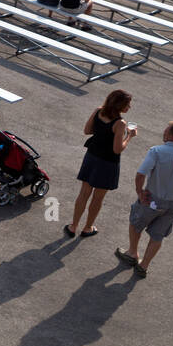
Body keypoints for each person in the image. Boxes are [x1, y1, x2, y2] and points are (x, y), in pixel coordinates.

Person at [115, 121, 173, 278]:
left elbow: (141, 174)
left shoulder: (156, 151)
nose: (163, 132)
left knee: (136, 223)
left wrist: (139, 192)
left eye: (166, 131)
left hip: (152, 199)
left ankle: (132, 253)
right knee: (158, 235)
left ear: (171, 135)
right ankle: (144, 266)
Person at [64, 90, 137, 239]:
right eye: (127, 104)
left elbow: (87, 130)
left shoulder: (98, 111)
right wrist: (129, 136)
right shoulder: (120, 123)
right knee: (97, 198)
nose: (129, 107)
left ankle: (73, 226)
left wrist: (101, 132)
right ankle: (87, 227)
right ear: (119, 105)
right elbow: (117, 149)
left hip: (92, 157)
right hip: (108, 163)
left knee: (83, 194)